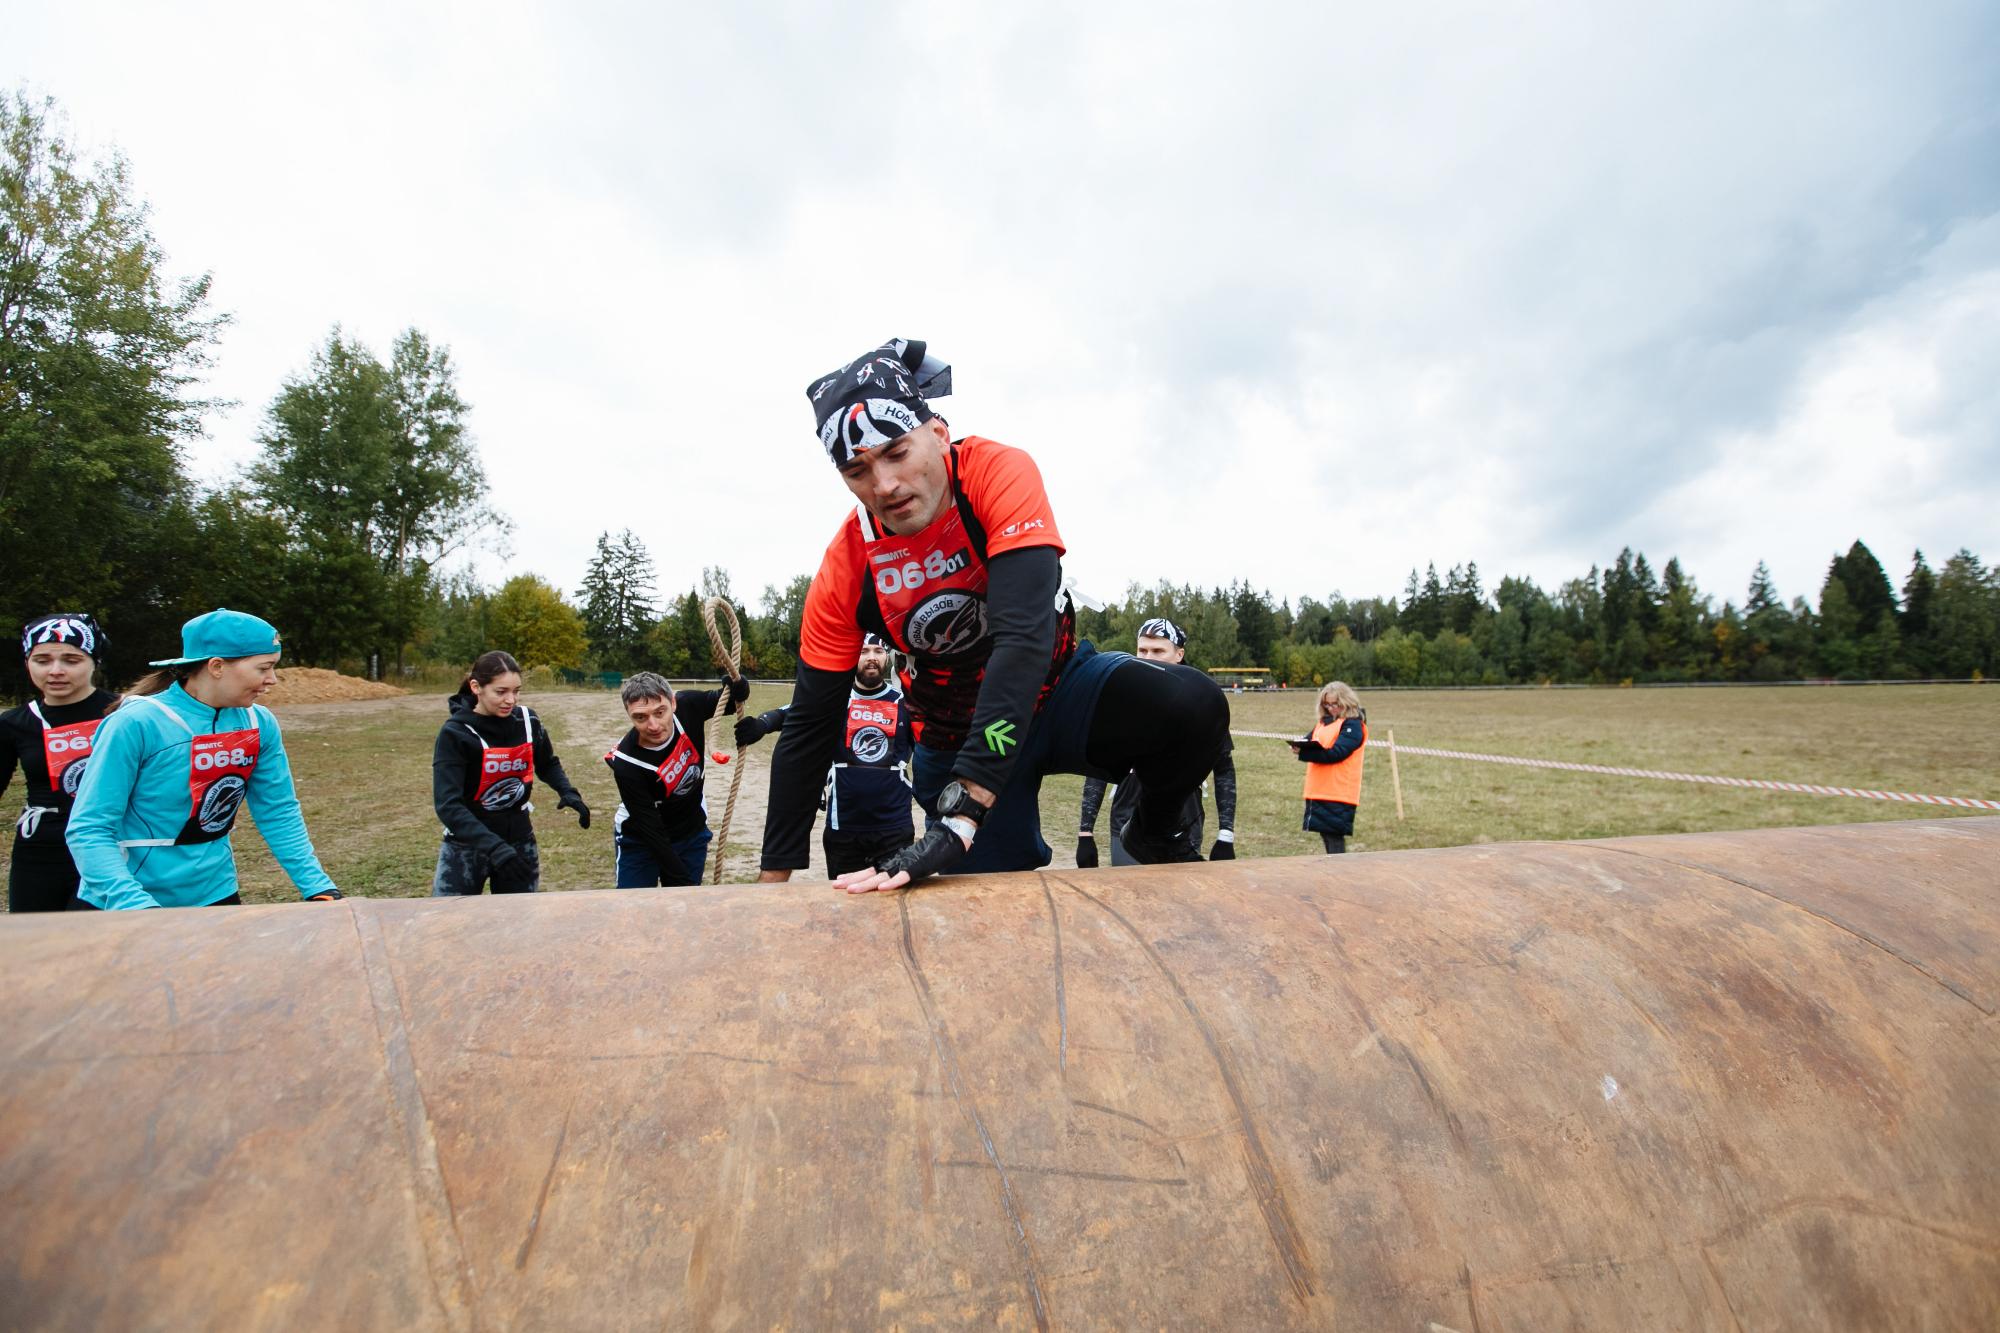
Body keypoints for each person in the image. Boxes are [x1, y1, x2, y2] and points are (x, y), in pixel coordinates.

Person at [758, 338, 1230, 892]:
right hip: (954, 732)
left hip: (1059, 690)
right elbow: (812, 725)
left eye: (896, 452)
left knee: (1194, 705)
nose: (884, 485)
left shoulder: (996, 471)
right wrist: (773, 884)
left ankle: (1153, 832)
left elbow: (1023, 638)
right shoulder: (846, 567)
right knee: (985, 905)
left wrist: (966, 808)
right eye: (857, 470)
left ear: (937, 434)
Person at [65, 608, 341, 909]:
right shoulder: (136, 723)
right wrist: (133, 904)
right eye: (263, 668)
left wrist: (316, 886)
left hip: (215, 895)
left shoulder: (259, 722)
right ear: (217, 666)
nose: (272, 679)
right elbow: (89, 828)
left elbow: (278, 810)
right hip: (127, 902)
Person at [735, 634, 915, 875]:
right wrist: (761, 724)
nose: (871, 658)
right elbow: (792, 712)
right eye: (863, 652)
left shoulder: (906, 703)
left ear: (887, 657)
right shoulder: (834, 701)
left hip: (894, 830)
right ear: (853, 656)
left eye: (878, 651)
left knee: (893, 907)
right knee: (844, 906)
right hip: (844, 831)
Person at [1076, 617, 1237, 866]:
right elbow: (1098, 768)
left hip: (1181, 826)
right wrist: (1085, 832)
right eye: (1142, 650)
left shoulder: (1199, 704)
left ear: (1179, 654)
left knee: (1177, 901)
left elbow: (1224, 769)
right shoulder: (1122, 702)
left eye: (1158, 650)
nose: (1148, 657)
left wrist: (1226, 834)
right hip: (1125, 822)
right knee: (1129, 899)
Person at [431, 650, 589, 896]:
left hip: (518, 842)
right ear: (476, 687)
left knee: (520, 923)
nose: (510, 700)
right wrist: (494, 848)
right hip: (466, 846)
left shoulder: (528, 721)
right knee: (447, 924)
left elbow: (547, 763)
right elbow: (448, 805)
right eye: (501, 692)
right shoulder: (455, 733)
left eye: (516, 691)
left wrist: (567, 791)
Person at [3, 615, 118, 911]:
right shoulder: (15, 723)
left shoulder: (124, 713)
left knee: (93, 946)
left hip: (110, 845)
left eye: (71, 660)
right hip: (40, 851)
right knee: (35, 945)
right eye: (42, 660)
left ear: (94, 662)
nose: (56, 671)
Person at [604, 670, 750, 887]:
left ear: (672, 703)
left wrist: (740, 686)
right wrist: (679, 876)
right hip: (641, 839)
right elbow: (650, 829)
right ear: (629, 715)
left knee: (685, 908)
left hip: (690, 831)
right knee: (635, 907)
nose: (653, 725)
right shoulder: (627, 763)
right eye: (640, 717)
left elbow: (728, 702)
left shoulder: (688, 705)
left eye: (660, 712)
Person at [1290, 681, 1367, 854]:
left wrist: (1305, 754)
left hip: (1338, 792)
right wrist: (1299, 746)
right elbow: (1309, 740)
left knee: (1334, 838)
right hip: (1319, 789)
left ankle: (1339, 875)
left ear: (1346, 702)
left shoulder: (1353, 725)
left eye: (1335, 704)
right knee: (1326, 835)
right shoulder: (1324, 723)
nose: (1331, 708)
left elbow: (1337, 753)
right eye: (1327, 704)